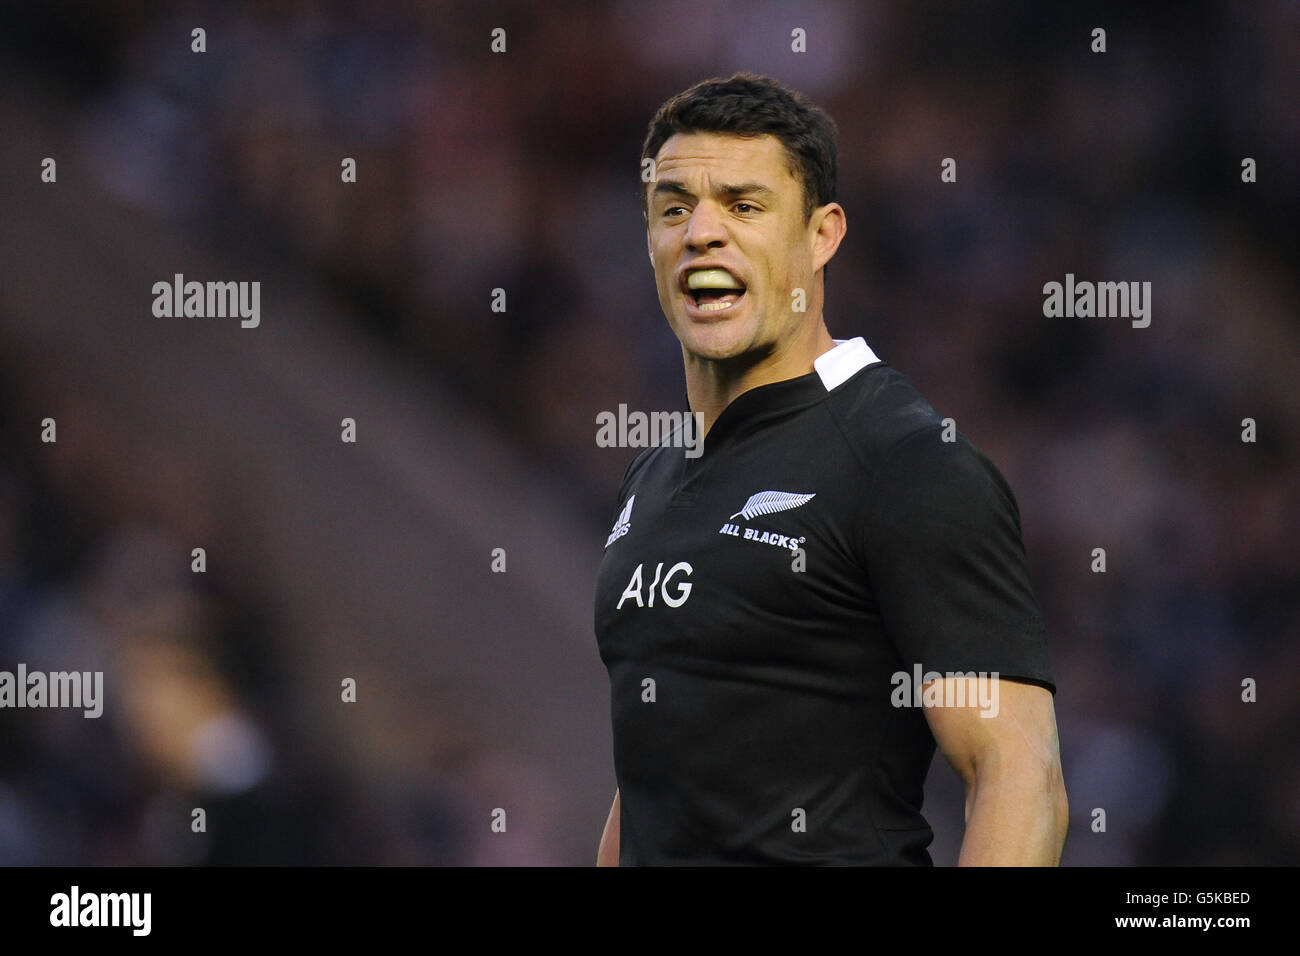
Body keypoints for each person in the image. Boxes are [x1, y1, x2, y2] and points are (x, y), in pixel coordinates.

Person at [593, 73, 1067, 865]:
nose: (702, 231)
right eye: (674, 207)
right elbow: (651, 785)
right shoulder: (651, 478)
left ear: (822, 235)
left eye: (744, 206)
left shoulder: (906, 461)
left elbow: (1021, 773)